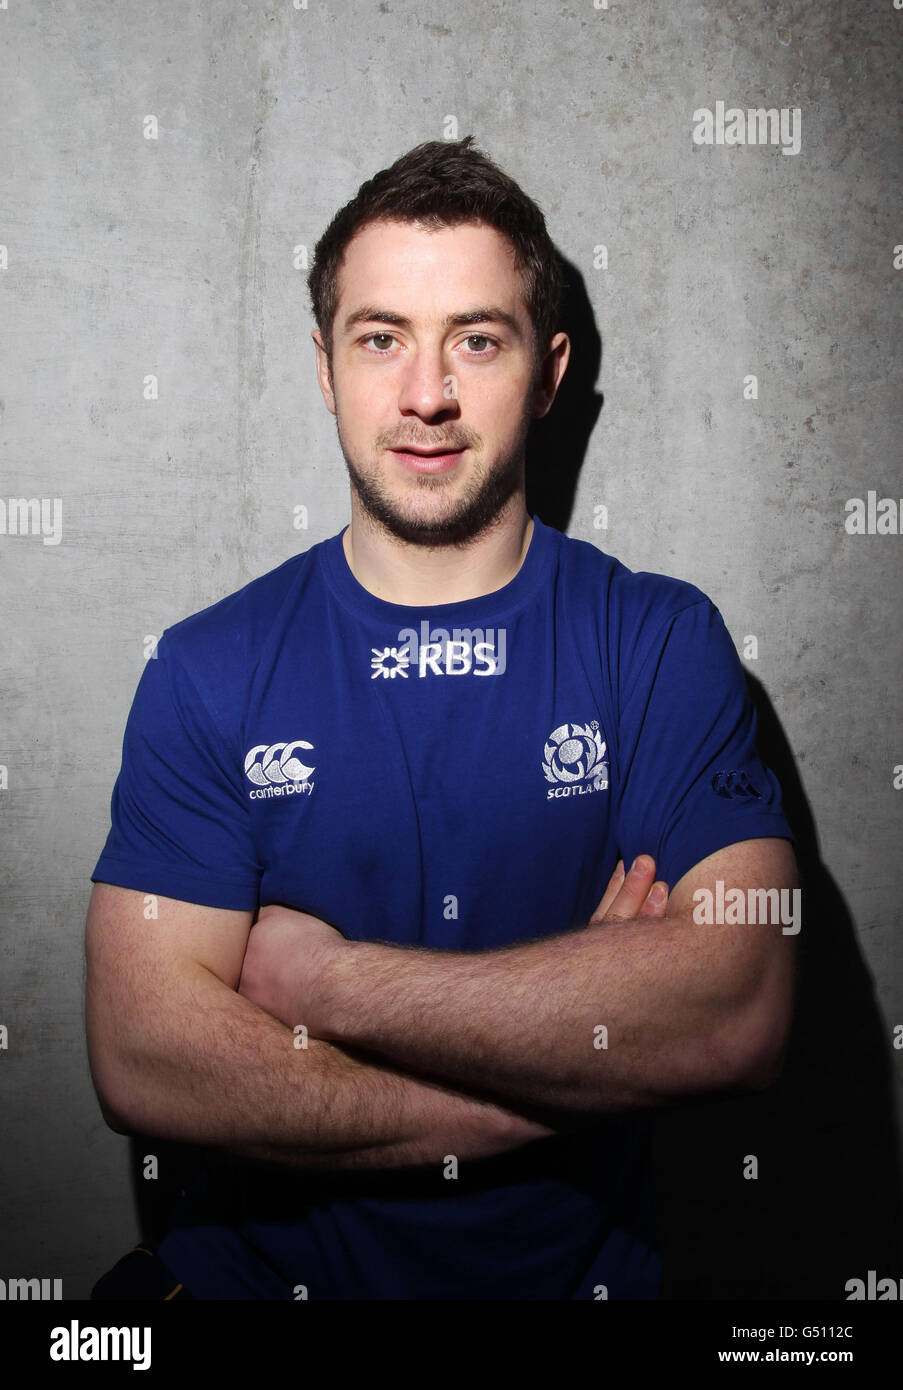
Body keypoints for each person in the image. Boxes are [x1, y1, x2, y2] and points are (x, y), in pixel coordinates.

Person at [85, 136, 798, 1301]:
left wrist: (330, 986)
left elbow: (738, 1008)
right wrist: (585, 1053)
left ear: (550, 371)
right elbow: (146, 1058)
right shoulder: (208, 668)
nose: (426, 393)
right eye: (381, 339)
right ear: (325, 366)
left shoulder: (656, 642)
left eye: (477, 338)